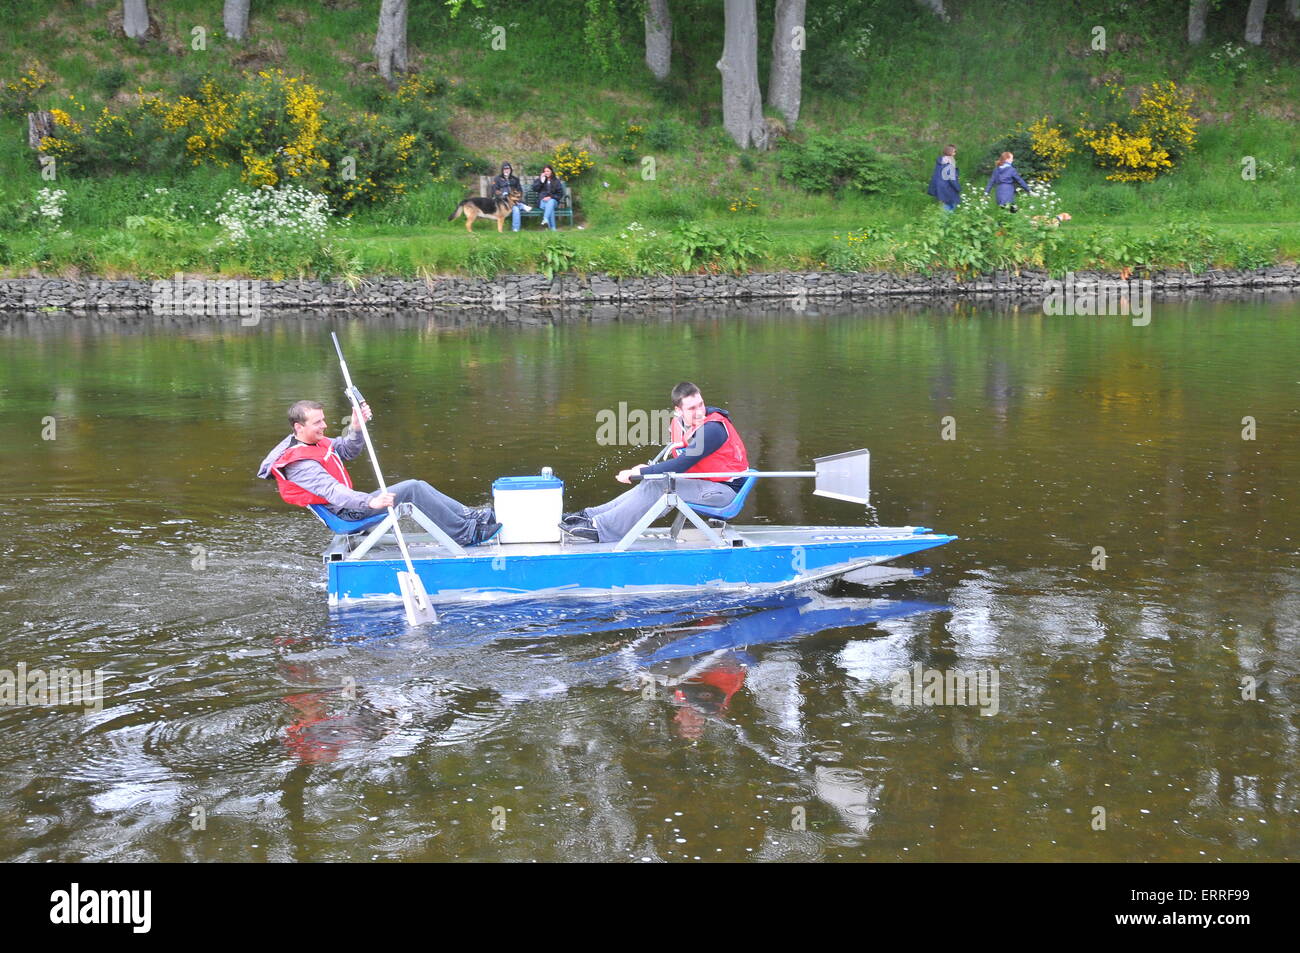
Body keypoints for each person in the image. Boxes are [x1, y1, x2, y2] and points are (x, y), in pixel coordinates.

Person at [257, 399, 501, 546]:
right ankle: (465, 534)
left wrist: (355, 427)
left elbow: (347, 451)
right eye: (318, 422)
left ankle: (470, 517)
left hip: (352, 504)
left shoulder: (313, 442)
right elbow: (334, 491)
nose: (325, 426)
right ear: (299, 427)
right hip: (346, 512)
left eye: (323, 420)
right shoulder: (299, 464)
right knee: (412, 489)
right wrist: (370, 501)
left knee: (417, 484)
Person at [561, 382, 749, 544]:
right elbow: (677, 461)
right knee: (652, 482)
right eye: (691, 409)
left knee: (659, 484)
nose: (699, 412)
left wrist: (645, 471)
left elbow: (681, 465)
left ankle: (601, 528)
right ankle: (589, 515)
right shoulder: (681, 424)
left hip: (725, 492)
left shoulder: (713, 430)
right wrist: (647, 471)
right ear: (678, 411)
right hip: (706, 485)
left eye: (701, 405)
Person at [927, 144, 961, 212]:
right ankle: (946, 222)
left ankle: (942, 221)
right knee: (950, 209)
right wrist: (958, 188)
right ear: (950, 152)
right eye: (954, 152)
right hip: (948, 189)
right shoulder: (950, 163)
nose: (955, 154)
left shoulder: (940, 161)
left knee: (944, 209)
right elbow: (952, 179)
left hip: (940, 188)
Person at [492, 162, 524, 232]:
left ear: (510, 169)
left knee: (515, 209)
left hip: (513, 201)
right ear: (502, 170)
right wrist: (502, 194)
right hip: (502, 201)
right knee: (502, 209)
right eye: (505, 169)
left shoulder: (515, 179)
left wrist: (517, 196)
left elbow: (520, 190)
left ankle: (515, 229)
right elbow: (494, 190)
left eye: (508, 169)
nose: (506, 170)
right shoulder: (497, 179)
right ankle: (500, 229)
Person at [535, 164, 564, 230]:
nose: (546, 173)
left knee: (550, 202)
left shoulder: (556, 181)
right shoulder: (540, 180)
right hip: (542, 202)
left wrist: (551, 197)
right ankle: (553, 228)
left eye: (548, 171)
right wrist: (540, 181)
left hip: (554, 201)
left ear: (551, 172)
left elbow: (560, 194)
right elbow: (535, 189)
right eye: (545, 171)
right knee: (550, 208)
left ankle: (545, 218)